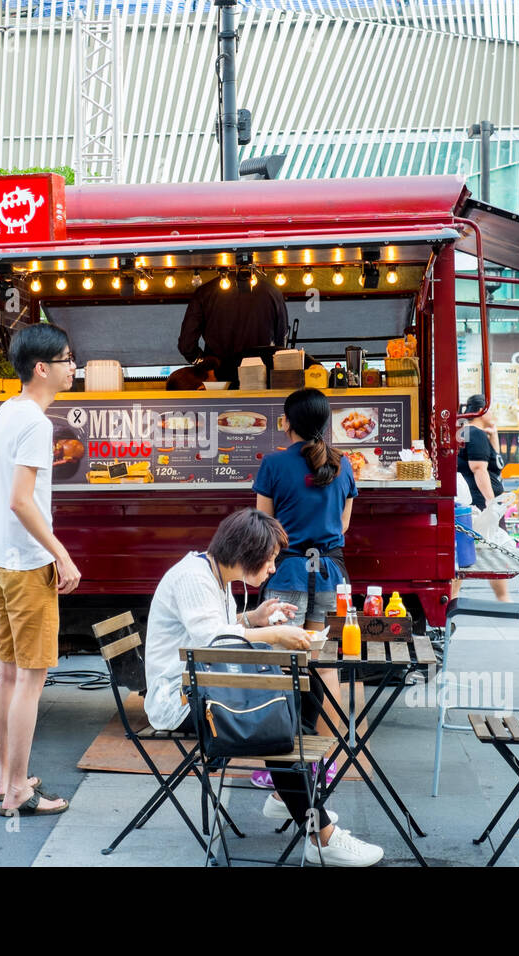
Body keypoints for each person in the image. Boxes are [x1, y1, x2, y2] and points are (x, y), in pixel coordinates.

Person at [143, 508, 385, 866]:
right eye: (270, 559)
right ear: (247, 551)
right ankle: (321, 835)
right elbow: (212, 641)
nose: (273, 567)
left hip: (207, 689)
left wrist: (252, 619)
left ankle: (286, 792)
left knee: (299, 699)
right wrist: (272, 632)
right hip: (180, 701)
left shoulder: (211, 573)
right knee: (276, 721)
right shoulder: (194, 578)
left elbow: (216, 627)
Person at [0, 323, 81, 815]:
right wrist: (61, 553)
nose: (73, 366)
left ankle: (6, 778)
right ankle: (19, 789)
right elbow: (22, 501)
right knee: (29, 680)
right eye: (66, 359)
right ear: (42, 368)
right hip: (24, 563)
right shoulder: (38, 424)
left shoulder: (8, 411)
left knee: (9, 673)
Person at [252, 387, 356, 789]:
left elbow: (265, 526)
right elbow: (343, 526)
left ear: (288, 422)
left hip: (288, 574)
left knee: (284, 666)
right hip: (331, 573)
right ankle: (320, 758)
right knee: (322, 661)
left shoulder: (274, 463)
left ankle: (283, 761)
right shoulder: (343, 464)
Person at [178, 274, 288, 382]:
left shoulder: (204, 293)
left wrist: (205, 364)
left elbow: (186, 345)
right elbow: (281, 346)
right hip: (260, 377)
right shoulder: (273, 293)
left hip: (219, 377)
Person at [455, 394, 509, 601]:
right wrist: (491, 502)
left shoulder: (470, 433)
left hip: (475, 501)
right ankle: (503, 598)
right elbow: (479, 469)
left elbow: (497, 465)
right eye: (492, 409)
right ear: (481, 411)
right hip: (480, 502)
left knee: (465, 551)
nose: (495, 413)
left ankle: (501, 596)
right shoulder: (474, 433)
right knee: (493, 550)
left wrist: (493, 435)